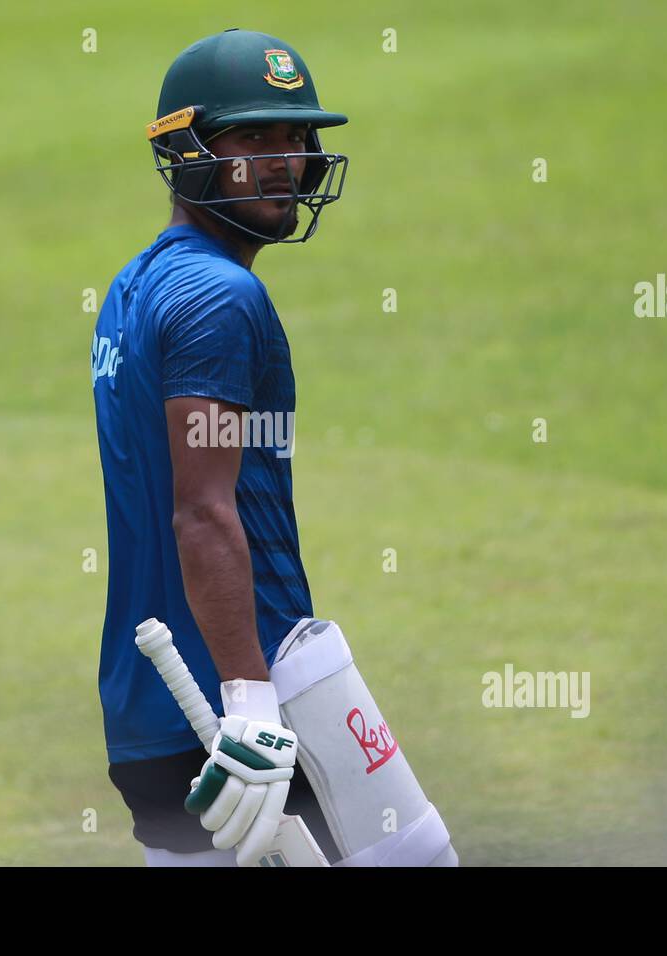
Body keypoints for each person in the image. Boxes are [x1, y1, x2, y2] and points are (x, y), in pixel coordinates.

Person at [93, 29, 453, 867]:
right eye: (253, 139)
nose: (285, 159)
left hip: (149, 715)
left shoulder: (132, 286)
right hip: (256, 701)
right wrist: (252, 703)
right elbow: (202, 510)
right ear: (186, 153)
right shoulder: (221, 298)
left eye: (296, 138)